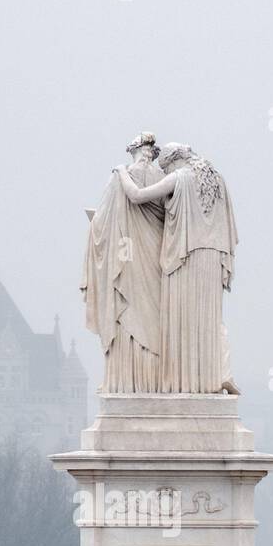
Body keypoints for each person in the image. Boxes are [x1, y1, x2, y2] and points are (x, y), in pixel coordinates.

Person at [116, 142, 238, 394]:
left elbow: (137, 196)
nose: (166, 172)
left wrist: (121, 172)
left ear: (173, 161)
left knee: (181, 318)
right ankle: (221, 373)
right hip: (213, 257)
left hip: (186, 255)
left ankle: (182, 382)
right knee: (211, 318)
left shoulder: (180, 177)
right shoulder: (218, 180)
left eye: (166, 168)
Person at [82, 131, 165, 392]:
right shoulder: (164, 178)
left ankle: (126, 380)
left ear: (135, 151)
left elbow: (102, 220)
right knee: (150, 310)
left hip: (126, 253)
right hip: (154, 249)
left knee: (127, 305)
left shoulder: (121, 175)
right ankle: (153, 378)